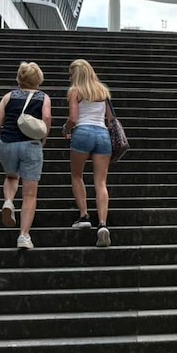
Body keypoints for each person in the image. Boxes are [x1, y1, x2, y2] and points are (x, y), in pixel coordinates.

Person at [0, 62, 51, 250]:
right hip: (31, 145)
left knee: (11, 176)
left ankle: (9, 201)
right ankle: (24, 236)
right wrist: (43, 139)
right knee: (29, 194)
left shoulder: (8, 96)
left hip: (7, 144)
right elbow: (46, 119)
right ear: (39, 79)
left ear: (20, 78)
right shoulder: (43, 97)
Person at [62, 59, 114, 247]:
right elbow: (110, 118)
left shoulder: (75, 91)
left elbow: (73, 119)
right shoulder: (102, 91)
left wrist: (65, 128)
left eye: (70, 73)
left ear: (76, 74)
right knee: (101, 182)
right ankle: (102, 224)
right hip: (102, 135)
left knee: (77, 175)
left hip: (83, 133)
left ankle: (84, 215)